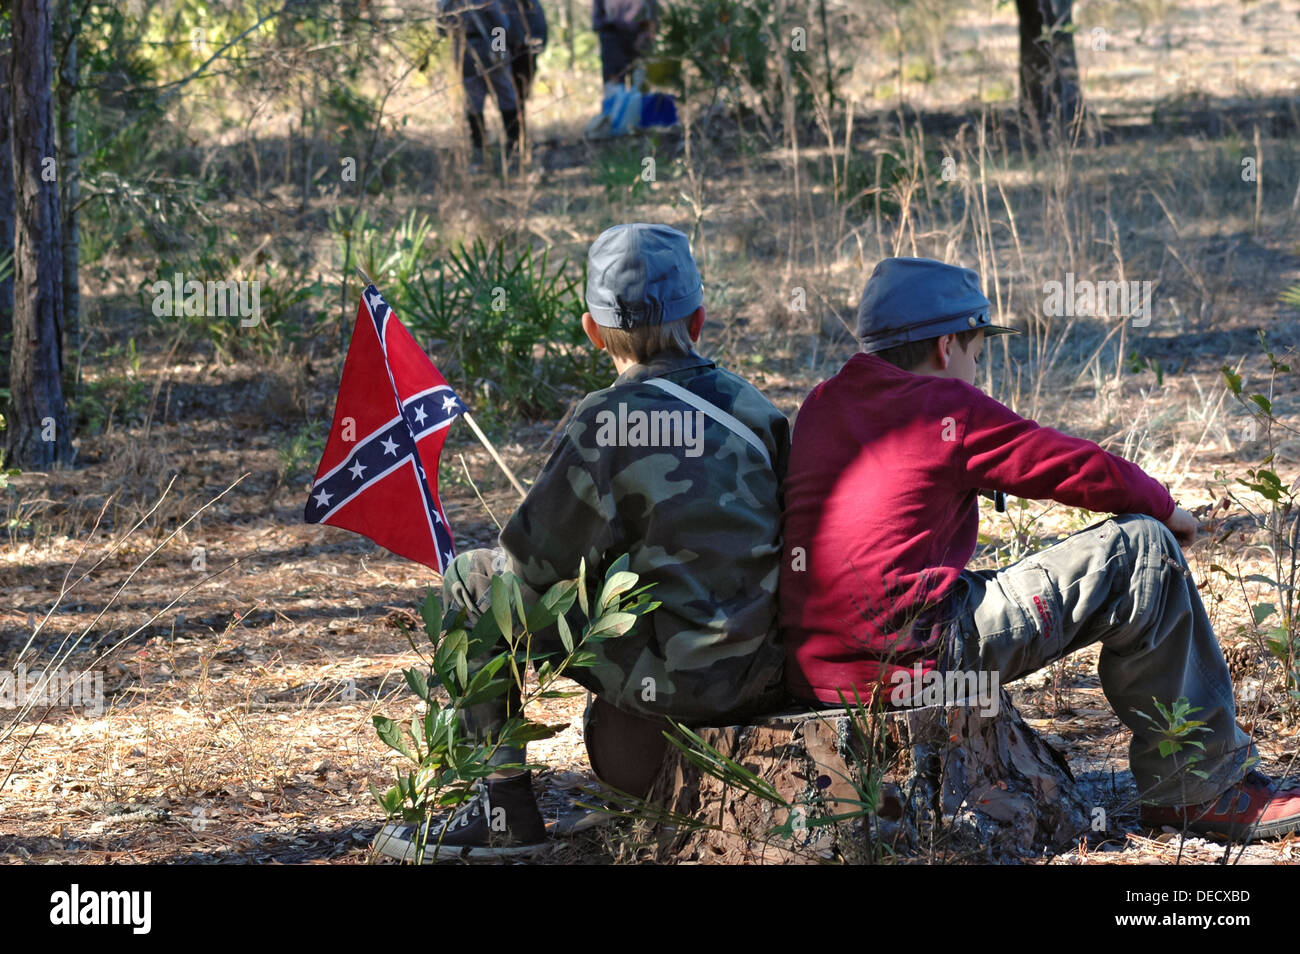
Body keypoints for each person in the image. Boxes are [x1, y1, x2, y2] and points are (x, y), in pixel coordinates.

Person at [780, 256, 1300, 843]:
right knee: (1142, 552)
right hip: (919, 654)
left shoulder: (824, 402)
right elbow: (1066, 464)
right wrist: (1165, 508)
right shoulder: (942, 406)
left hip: (818, 672)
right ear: (947, 345)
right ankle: (1201, 790)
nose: (978, 369)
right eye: (978, 353)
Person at [377, 223, 789, 860]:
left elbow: (532, 566)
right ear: (700, 319)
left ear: (592, 331)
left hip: (674, 677)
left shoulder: (606, 419)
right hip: (764, 670)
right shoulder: (756, 408)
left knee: (475, 579)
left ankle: (500, 807)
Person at [438, 0, 520, 168]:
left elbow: (441, 31)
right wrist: (500, 52)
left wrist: (499, 50)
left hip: (474, 52)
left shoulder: (446, 3)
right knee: (488, 100)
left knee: (487, 99)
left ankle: (497, 147)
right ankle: (497, 147)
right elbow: (500, 24)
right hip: (477, 53)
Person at [504, 0, 547, 136]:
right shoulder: (500, 3)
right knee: (509, 95)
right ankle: (513, 135)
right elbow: (496, 27)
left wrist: (536, 46)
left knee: (521, 95)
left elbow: (541, 25)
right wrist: (498, 51)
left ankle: (519, 135)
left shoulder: (531, 3)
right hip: (507, 55)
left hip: (526, 54)